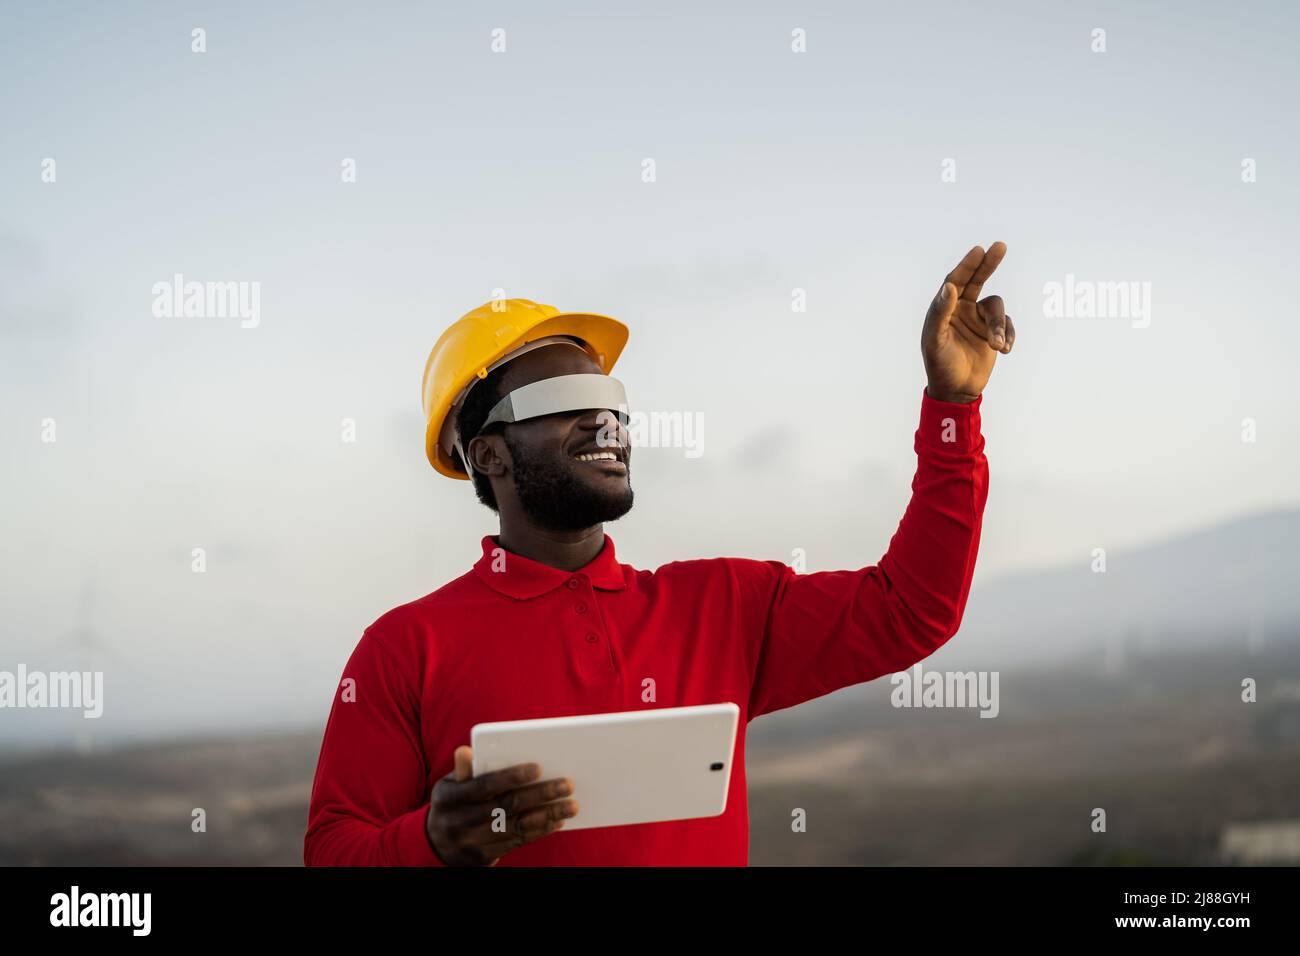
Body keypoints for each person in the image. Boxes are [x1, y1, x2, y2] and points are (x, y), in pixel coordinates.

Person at [304, 242, 1016, 866]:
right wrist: (430, 845)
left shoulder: (723, 607)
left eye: (611, 396)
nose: (604, 419)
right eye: (565, 396)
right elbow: (333, 850)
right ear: (487, 451)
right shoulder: (403, 649)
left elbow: (912, 609)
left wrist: (952, 408)